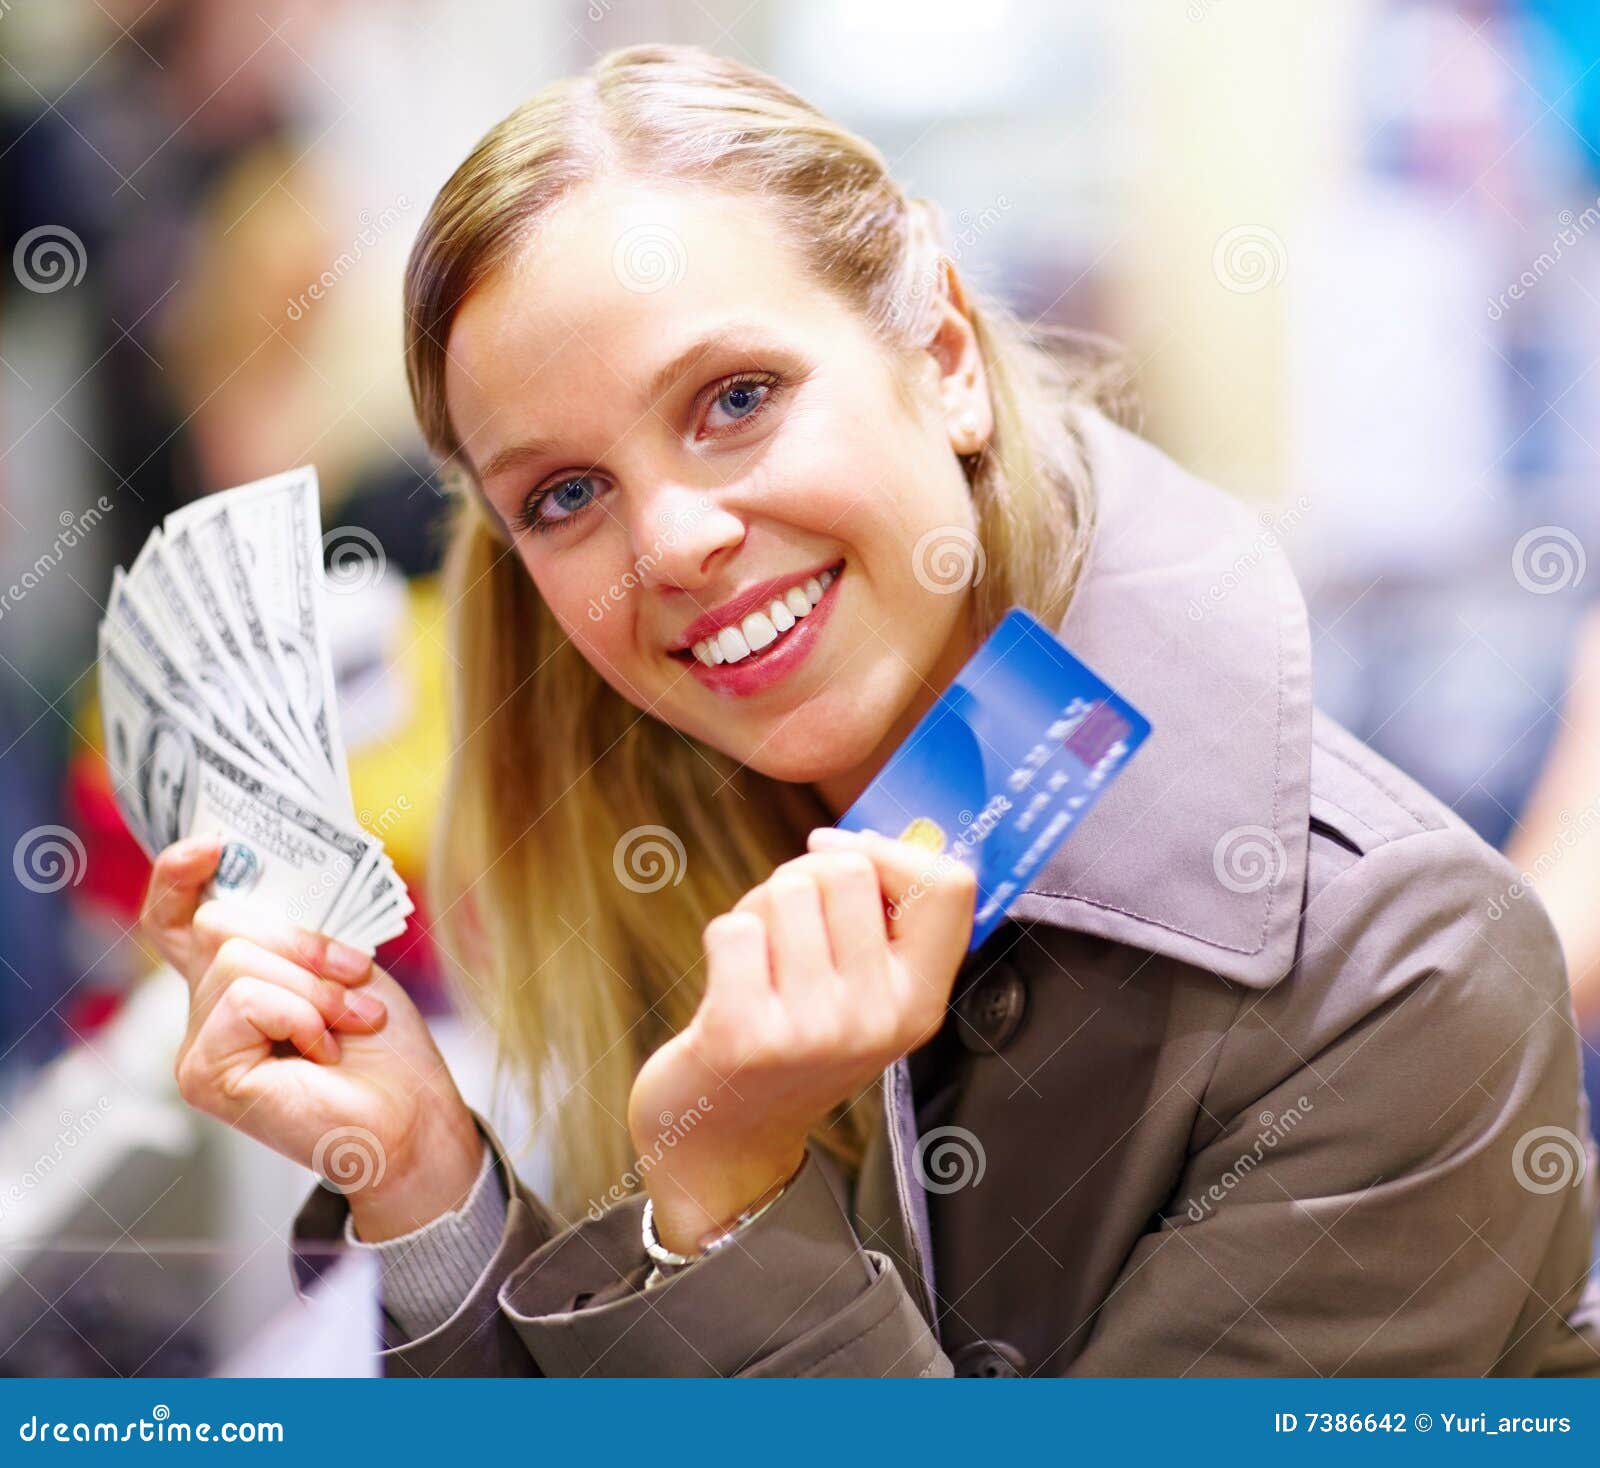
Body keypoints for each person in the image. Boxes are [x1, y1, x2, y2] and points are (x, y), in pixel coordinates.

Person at [139, 44, 1600, 1377]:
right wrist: (420, 1180)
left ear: (946, 358)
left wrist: (727, 1196)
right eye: (566, 495)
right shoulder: (681, 824)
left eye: (737, 398)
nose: (672, 544)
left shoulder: (1404, 982)